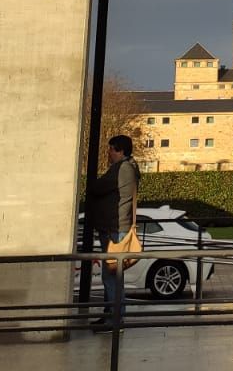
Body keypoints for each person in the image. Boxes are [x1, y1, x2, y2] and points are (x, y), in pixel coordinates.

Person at [87, 135, 139, 330]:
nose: (108, 153)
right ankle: (110, 315)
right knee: (113, 275)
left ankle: (113, 320)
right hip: (117, 227)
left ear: (120, 150)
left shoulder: (121, 169)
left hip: (114, 228)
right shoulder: (130, 167)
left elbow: (97, 187)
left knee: (111, 277)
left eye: (111, 149)